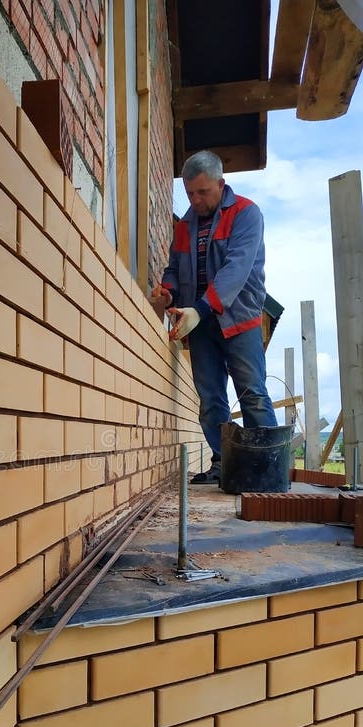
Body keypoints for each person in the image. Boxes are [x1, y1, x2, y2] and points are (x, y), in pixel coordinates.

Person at [150, 149, 277, 484]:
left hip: (239, 320)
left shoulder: (246, 214)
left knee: (252, 391)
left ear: (221, 184)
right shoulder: (185, 226)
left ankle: (266, 469)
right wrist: (167, 290)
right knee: (210, 398)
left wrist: (201, 309)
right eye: (190, 192)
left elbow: (236, 270)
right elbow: (174, 269)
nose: (195, 199)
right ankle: (225, 464)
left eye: (202, 192)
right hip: (201, 323)